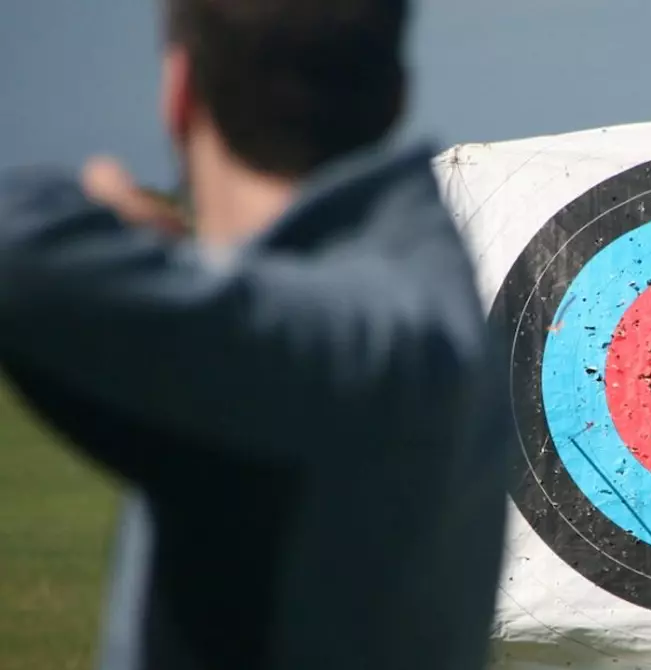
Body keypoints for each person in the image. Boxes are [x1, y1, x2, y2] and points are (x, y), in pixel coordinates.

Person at [0, 1, 511, 669]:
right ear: (397, 96)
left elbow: (18, 247)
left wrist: (95, 218)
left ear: (179, 93)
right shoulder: (423, 291)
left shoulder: (363, 347)